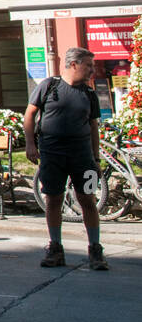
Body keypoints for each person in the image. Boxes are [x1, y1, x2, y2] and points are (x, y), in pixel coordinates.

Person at [24, 47, 108, 271]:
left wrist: (96, 160)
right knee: (53, 200)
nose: (92, 70)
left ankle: (95, 249)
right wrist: (30, 144)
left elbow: (93, 127)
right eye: (88, 65)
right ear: (74, 65)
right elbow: (30, 114)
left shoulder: (89, 94)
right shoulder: (49, 86)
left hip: (83, 157)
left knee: (88, 199)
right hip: (52, 154)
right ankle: (55, 248)